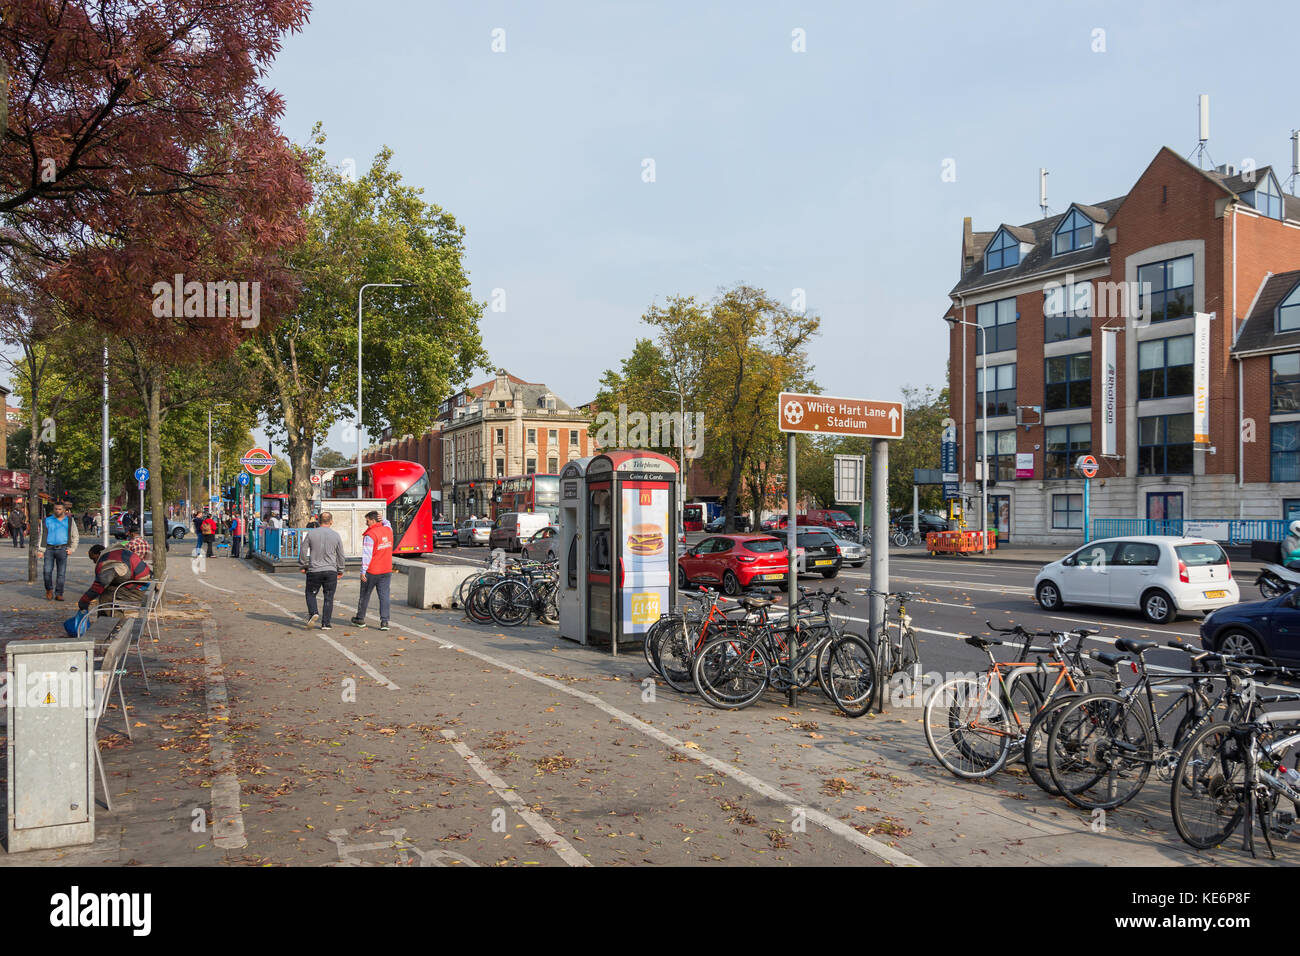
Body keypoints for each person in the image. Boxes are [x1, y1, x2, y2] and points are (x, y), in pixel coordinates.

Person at [298, 511, 345, 629]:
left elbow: (303, 550)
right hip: (331, 570)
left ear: (318, 521)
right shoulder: (336, 535)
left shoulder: (311, 534)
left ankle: (313, 612)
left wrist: (303, 565)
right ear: (331, 522)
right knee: (329, 596)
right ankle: (326, 623)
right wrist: (340, 569)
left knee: (310, 593)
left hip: (314, 570)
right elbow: (340, 555)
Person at [79, 543, 151, 615]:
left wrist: (84, 600)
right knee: (107, 592)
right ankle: (103, 620)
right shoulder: (117, 552)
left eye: (94, 559)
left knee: (105, 597)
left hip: (140, 590)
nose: (94, 562)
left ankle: (117, 622)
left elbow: (100, 584)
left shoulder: (107, 561)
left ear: (98, 554)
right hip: (146, 586)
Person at [352, 510, 393, 631]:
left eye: (367, 520)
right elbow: (388, 523)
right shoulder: (388, 530)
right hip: (386, 570)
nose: (366, 523)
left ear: (373, 520)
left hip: (372, 571)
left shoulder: (371, 535)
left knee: (365, 595)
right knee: (384, 596)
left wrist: (363, 571)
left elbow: (367, 555)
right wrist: (383, 519)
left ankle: (360, 619)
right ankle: (384, 621)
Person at [37, 501, 79, 601]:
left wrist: (72, 548)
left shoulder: (69, 520)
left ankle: (59, 593)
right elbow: (42, 535)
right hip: (49, 549)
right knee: (47, 571)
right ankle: (49, 589)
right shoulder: (46, 520)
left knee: (61, 573)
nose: (57, 511)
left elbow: (75, 535)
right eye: (56, 509)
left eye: (60, 509)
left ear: (64, 510)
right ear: (53, 509)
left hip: (63, 549)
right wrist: (40, 550)